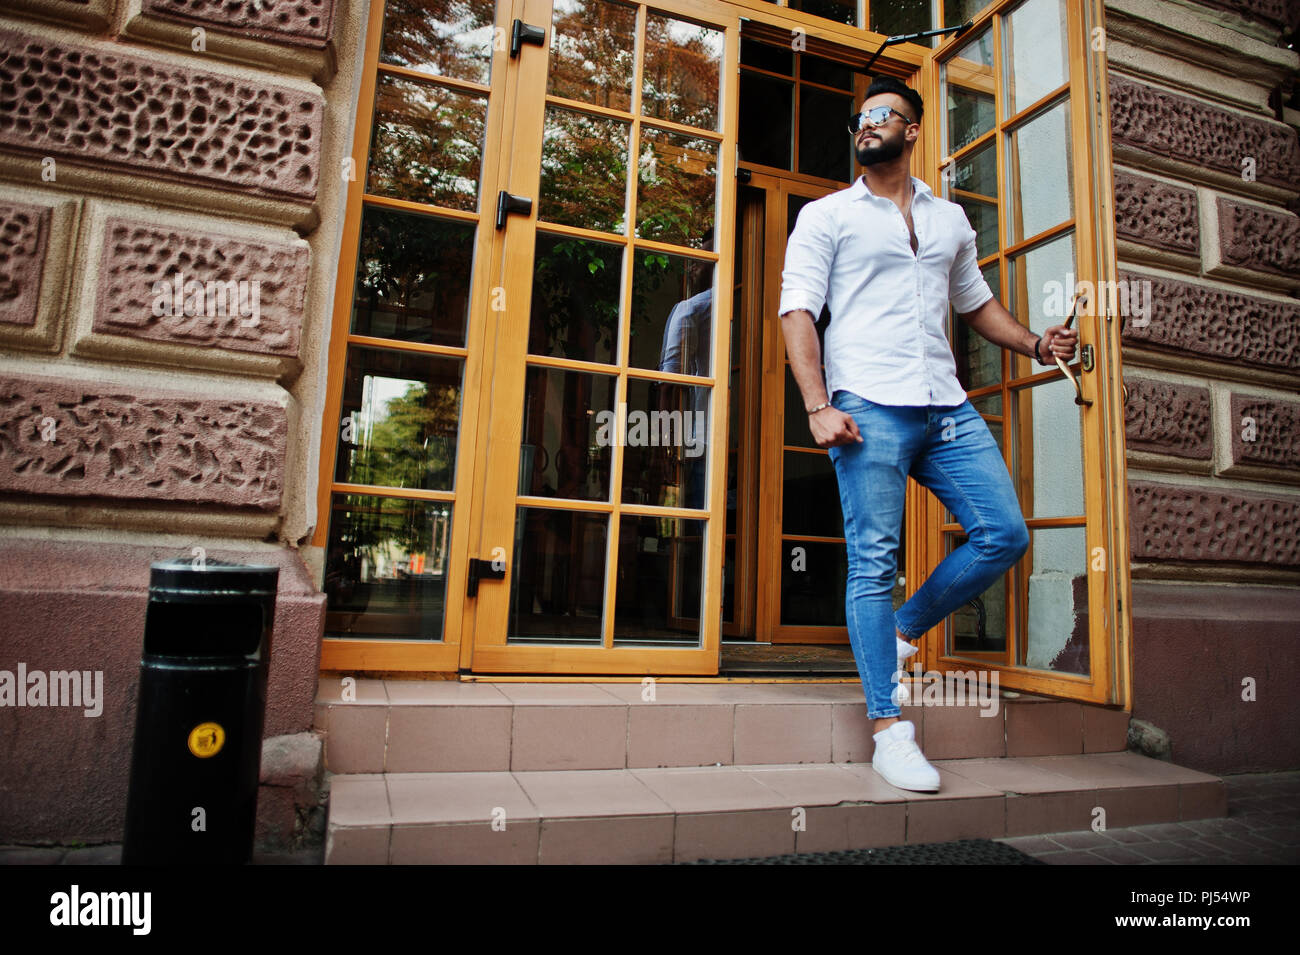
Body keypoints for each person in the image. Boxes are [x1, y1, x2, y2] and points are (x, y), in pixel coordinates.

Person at [778, 76, 1078, 793]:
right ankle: (889, 726)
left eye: (883, 115)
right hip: (868, 405)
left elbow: (974, 305)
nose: (867, 125)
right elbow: (797, 311)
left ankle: (902, 630)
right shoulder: (826, 217)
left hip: (946, 405)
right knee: (872, 562)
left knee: (1004, 532)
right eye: (860, 119)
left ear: (913, 130)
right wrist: (817, 404)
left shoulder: (950, 222)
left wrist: (1038, 345)